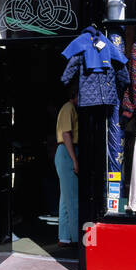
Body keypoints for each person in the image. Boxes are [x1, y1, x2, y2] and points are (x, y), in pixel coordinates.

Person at [55, 87, 80, 247]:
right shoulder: (68, 108)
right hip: (67, 151)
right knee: (73, 198)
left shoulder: (70, 108)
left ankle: (64, 236)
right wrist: (75, 160)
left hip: (66, 151)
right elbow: (66, 134)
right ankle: (77, 238)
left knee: (66, 197)